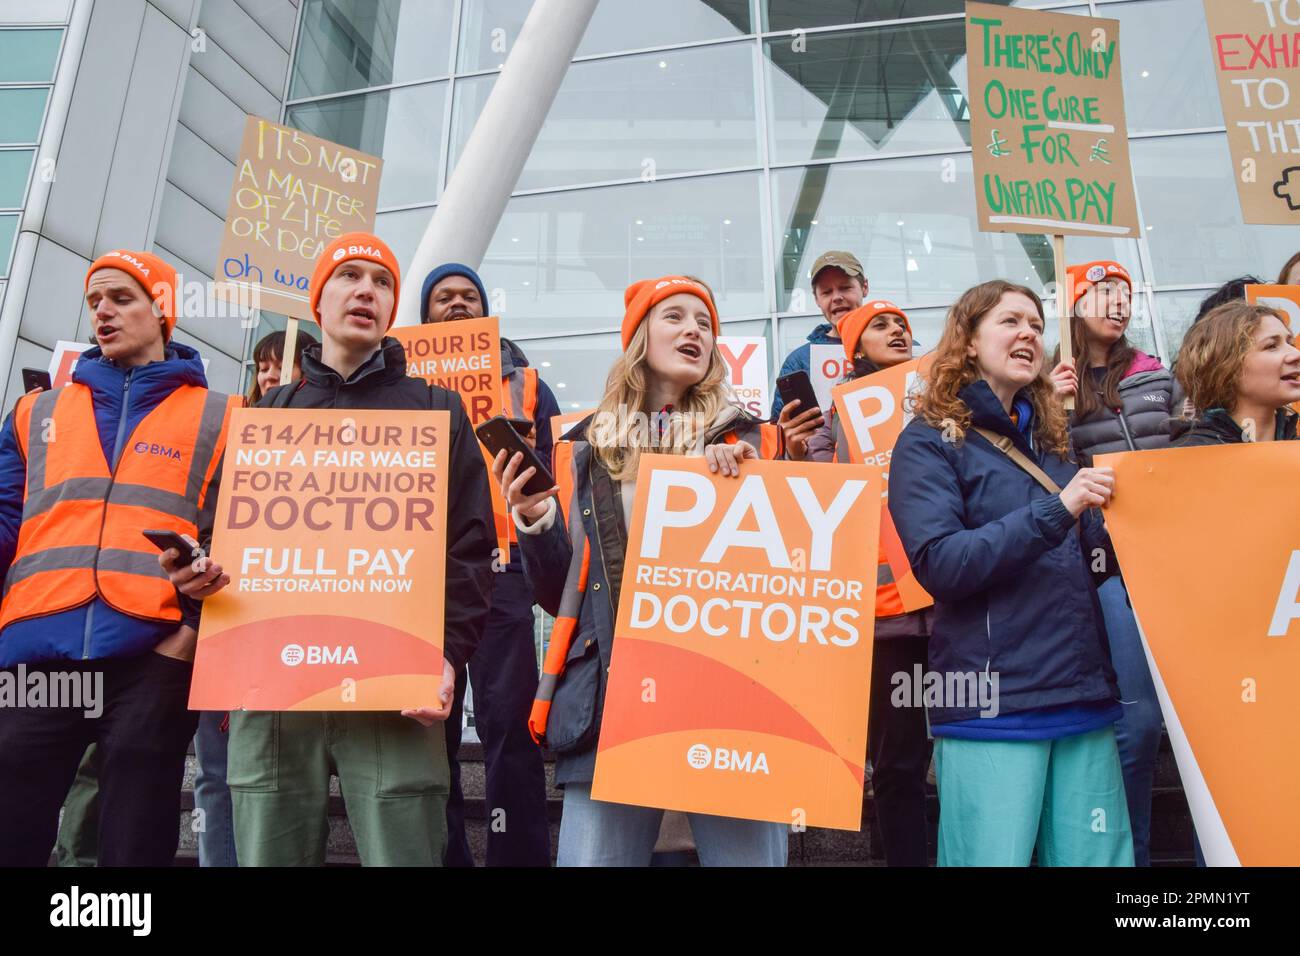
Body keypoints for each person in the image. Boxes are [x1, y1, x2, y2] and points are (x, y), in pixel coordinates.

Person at [165, 232, 496, 866]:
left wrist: (449, 655)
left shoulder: (437, 410)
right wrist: (199, 575)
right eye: (349, 276)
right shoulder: (268, 414)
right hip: (275, 685)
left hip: (396, 686)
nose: (366, 290)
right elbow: (219, 533)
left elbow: (470, 550)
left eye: (382, 281)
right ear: (319, 302)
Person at [500, 275, 787, 866]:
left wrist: (750, 484)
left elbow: (789, 574)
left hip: (729, 701)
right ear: (638, 339)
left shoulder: (753, 439)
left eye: (705, 323)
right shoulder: (587, 450)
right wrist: (534, 520)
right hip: (614, 696)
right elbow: (561, 597)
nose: (694, 331)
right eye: (675, 317)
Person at [0, 249, 240, 866]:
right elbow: (4, 526)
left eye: (121, 298)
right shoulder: (35, 412)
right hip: (37, 657)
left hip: (151, 657)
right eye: (94, 302)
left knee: (134, 843)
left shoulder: (224, 416)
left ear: (163, 312)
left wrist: (187, 636)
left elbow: (237, 541)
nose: (102, 311)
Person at [889, 279, 1133, 867]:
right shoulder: (926, 444)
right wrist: (1059, 510)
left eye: (1037, 324)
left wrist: (1128, 531)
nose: (1028, 333)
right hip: (993, 707)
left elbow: (1087, 559)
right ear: (968, 341)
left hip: (1081, 698)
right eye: (1009, 321)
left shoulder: (1053, 442)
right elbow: (943, 565)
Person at [782, 299, 931, 866]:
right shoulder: (834, 421)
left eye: (902, 325)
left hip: (951, 604)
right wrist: (796, 457)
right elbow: (817, 509)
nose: (896, 331)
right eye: (880, 325)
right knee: (897, 763)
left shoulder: (941, 403)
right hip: (886, 618)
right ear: (852, 349)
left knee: (953, 749)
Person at [418, 261, 557, 867]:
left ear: (486, 309)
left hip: (503, 575)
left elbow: (559, 474)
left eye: (467, 296)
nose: (456, 305)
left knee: (509, 730)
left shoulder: (525, 383)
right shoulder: (404, 388)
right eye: (443, 298)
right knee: (429, 736)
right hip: (423, 582)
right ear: (425, 318)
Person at [1047, 261, 1175, 867]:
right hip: (1107, 570)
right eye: (1101, 294)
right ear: (1073, 304)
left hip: (1177, 565)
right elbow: (1044, 478)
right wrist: (1055, 409)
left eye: (1124, 295)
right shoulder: (1049, 383)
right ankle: (1132, 862)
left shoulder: (1160, 377)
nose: (1116, 304)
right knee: (1139, 721)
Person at [1172, 301, 1300, 447]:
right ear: (1225, 366)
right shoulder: (1189, 460)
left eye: (1291, 344)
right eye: (1271, 346)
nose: (1296, 354)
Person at [770, 251, 867, 420]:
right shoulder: (799, 362)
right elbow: (778, 430)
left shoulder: (900, 346)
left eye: (845, 287)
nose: (837, 297)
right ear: (816, 300)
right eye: (826, 292)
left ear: (864, 287)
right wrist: (788, 439)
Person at [245, 327, 316, 405]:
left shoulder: (326, 414)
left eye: (283, 368)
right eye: (264, 369)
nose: (270, 376)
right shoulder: (240, 416)